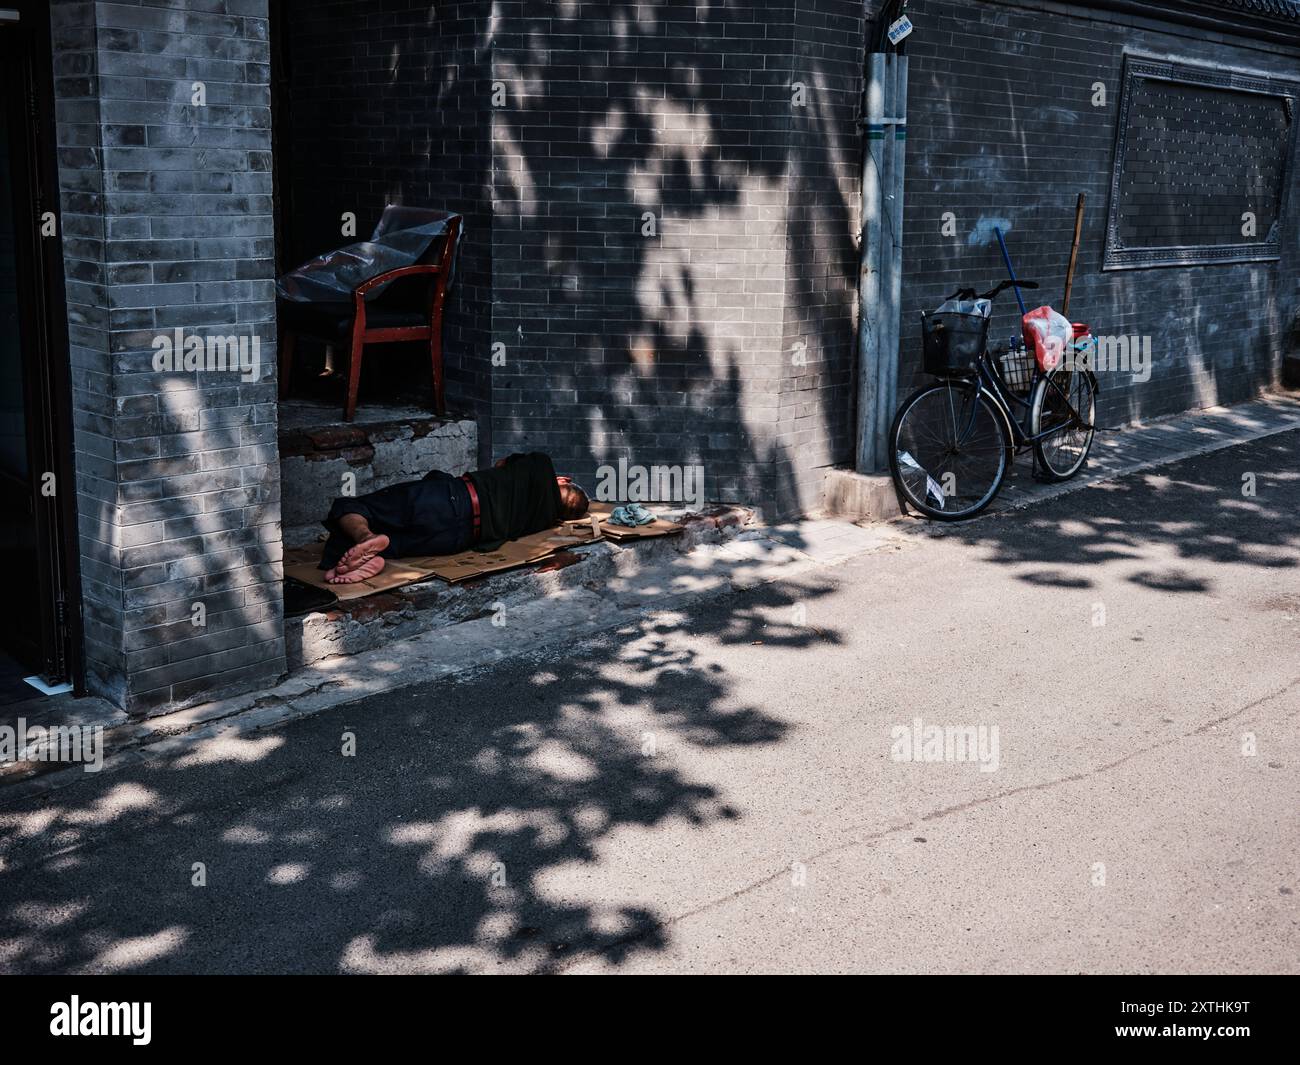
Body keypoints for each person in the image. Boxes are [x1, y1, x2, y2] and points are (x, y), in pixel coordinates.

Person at [320, 452, 590, 584]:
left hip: (452, 498)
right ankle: (370, 557)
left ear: (563, 480)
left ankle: (366, 537)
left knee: (355, 505)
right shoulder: (542, 521)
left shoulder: (540, 464)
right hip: (457, 538)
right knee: (397, 542)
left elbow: (500, 465)